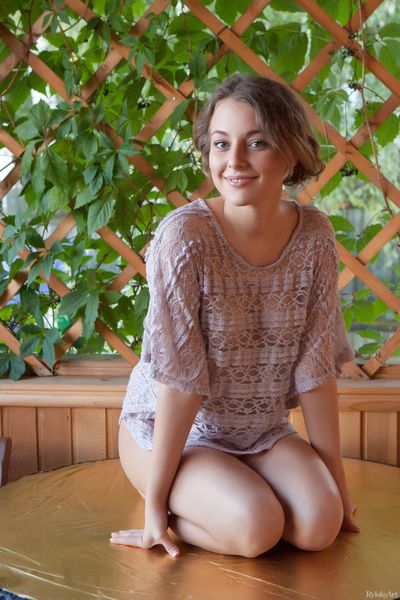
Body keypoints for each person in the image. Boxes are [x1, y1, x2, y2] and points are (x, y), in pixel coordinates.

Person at [110, 73, 361, 559]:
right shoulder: (185, 237)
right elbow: (181, 380)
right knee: (258, 529)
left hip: (263, 431)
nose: (234, 161)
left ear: (290, 152)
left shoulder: (314, 236)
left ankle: (230, 499)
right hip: (173, 434)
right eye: (222, 143)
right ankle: (184, 508)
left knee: (320, 527)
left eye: (257, 143)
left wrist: (339, 489)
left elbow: (315, 371)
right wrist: (154, 507)